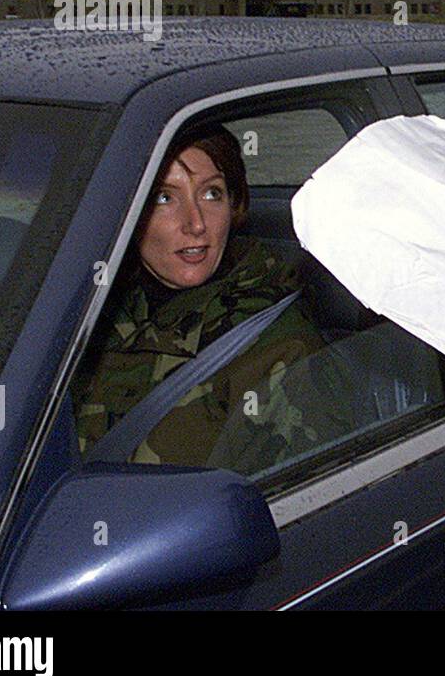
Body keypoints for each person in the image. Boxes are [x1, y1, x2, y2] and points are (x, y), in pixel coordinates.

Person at [75, 124, 349, 473]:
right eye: (164, 197)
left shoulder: (279, 348)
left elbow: (309, 502)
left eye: (211, 194)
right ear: (125, 214)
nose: (196, 224)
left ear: (234, 205)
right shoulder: (85, 315)